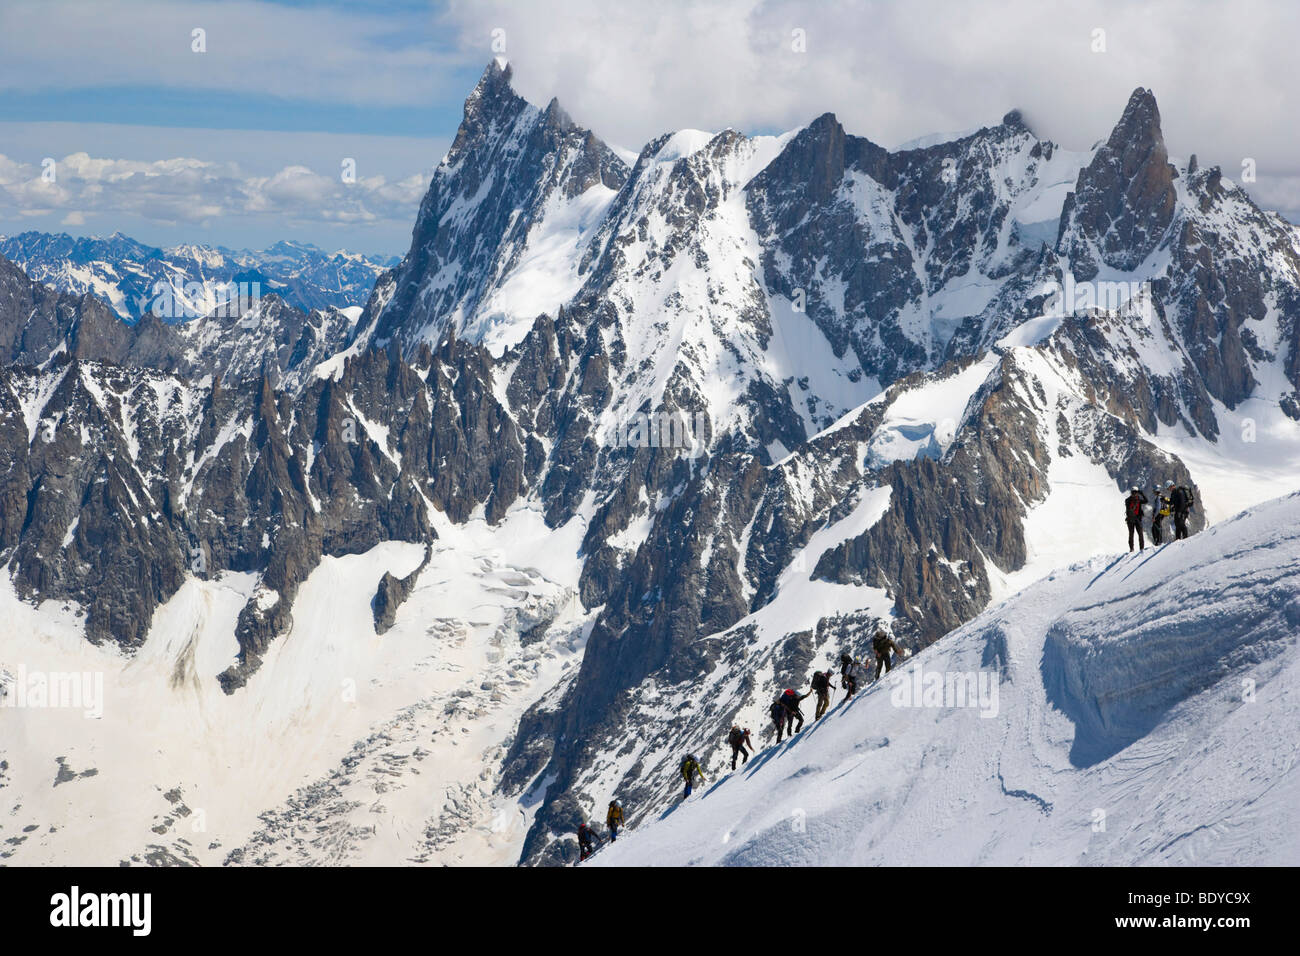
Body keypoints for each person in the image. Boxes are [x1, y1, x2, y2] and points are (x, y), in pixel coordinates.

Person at [1124, 486, 1148, 551]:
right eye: (1134, 492)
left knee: (1131, 534)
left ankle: (1131, 548)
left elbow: (1146, 501)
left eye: (1135, 492)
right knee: (1140, 534)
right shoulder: (1138, 500)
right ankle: (1141, 548)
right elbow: (1146, 501)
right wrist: (1142, 494)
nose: (1134, 494)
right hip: (1137, 519)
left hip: (1131, 519)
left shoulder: (1128, 500)